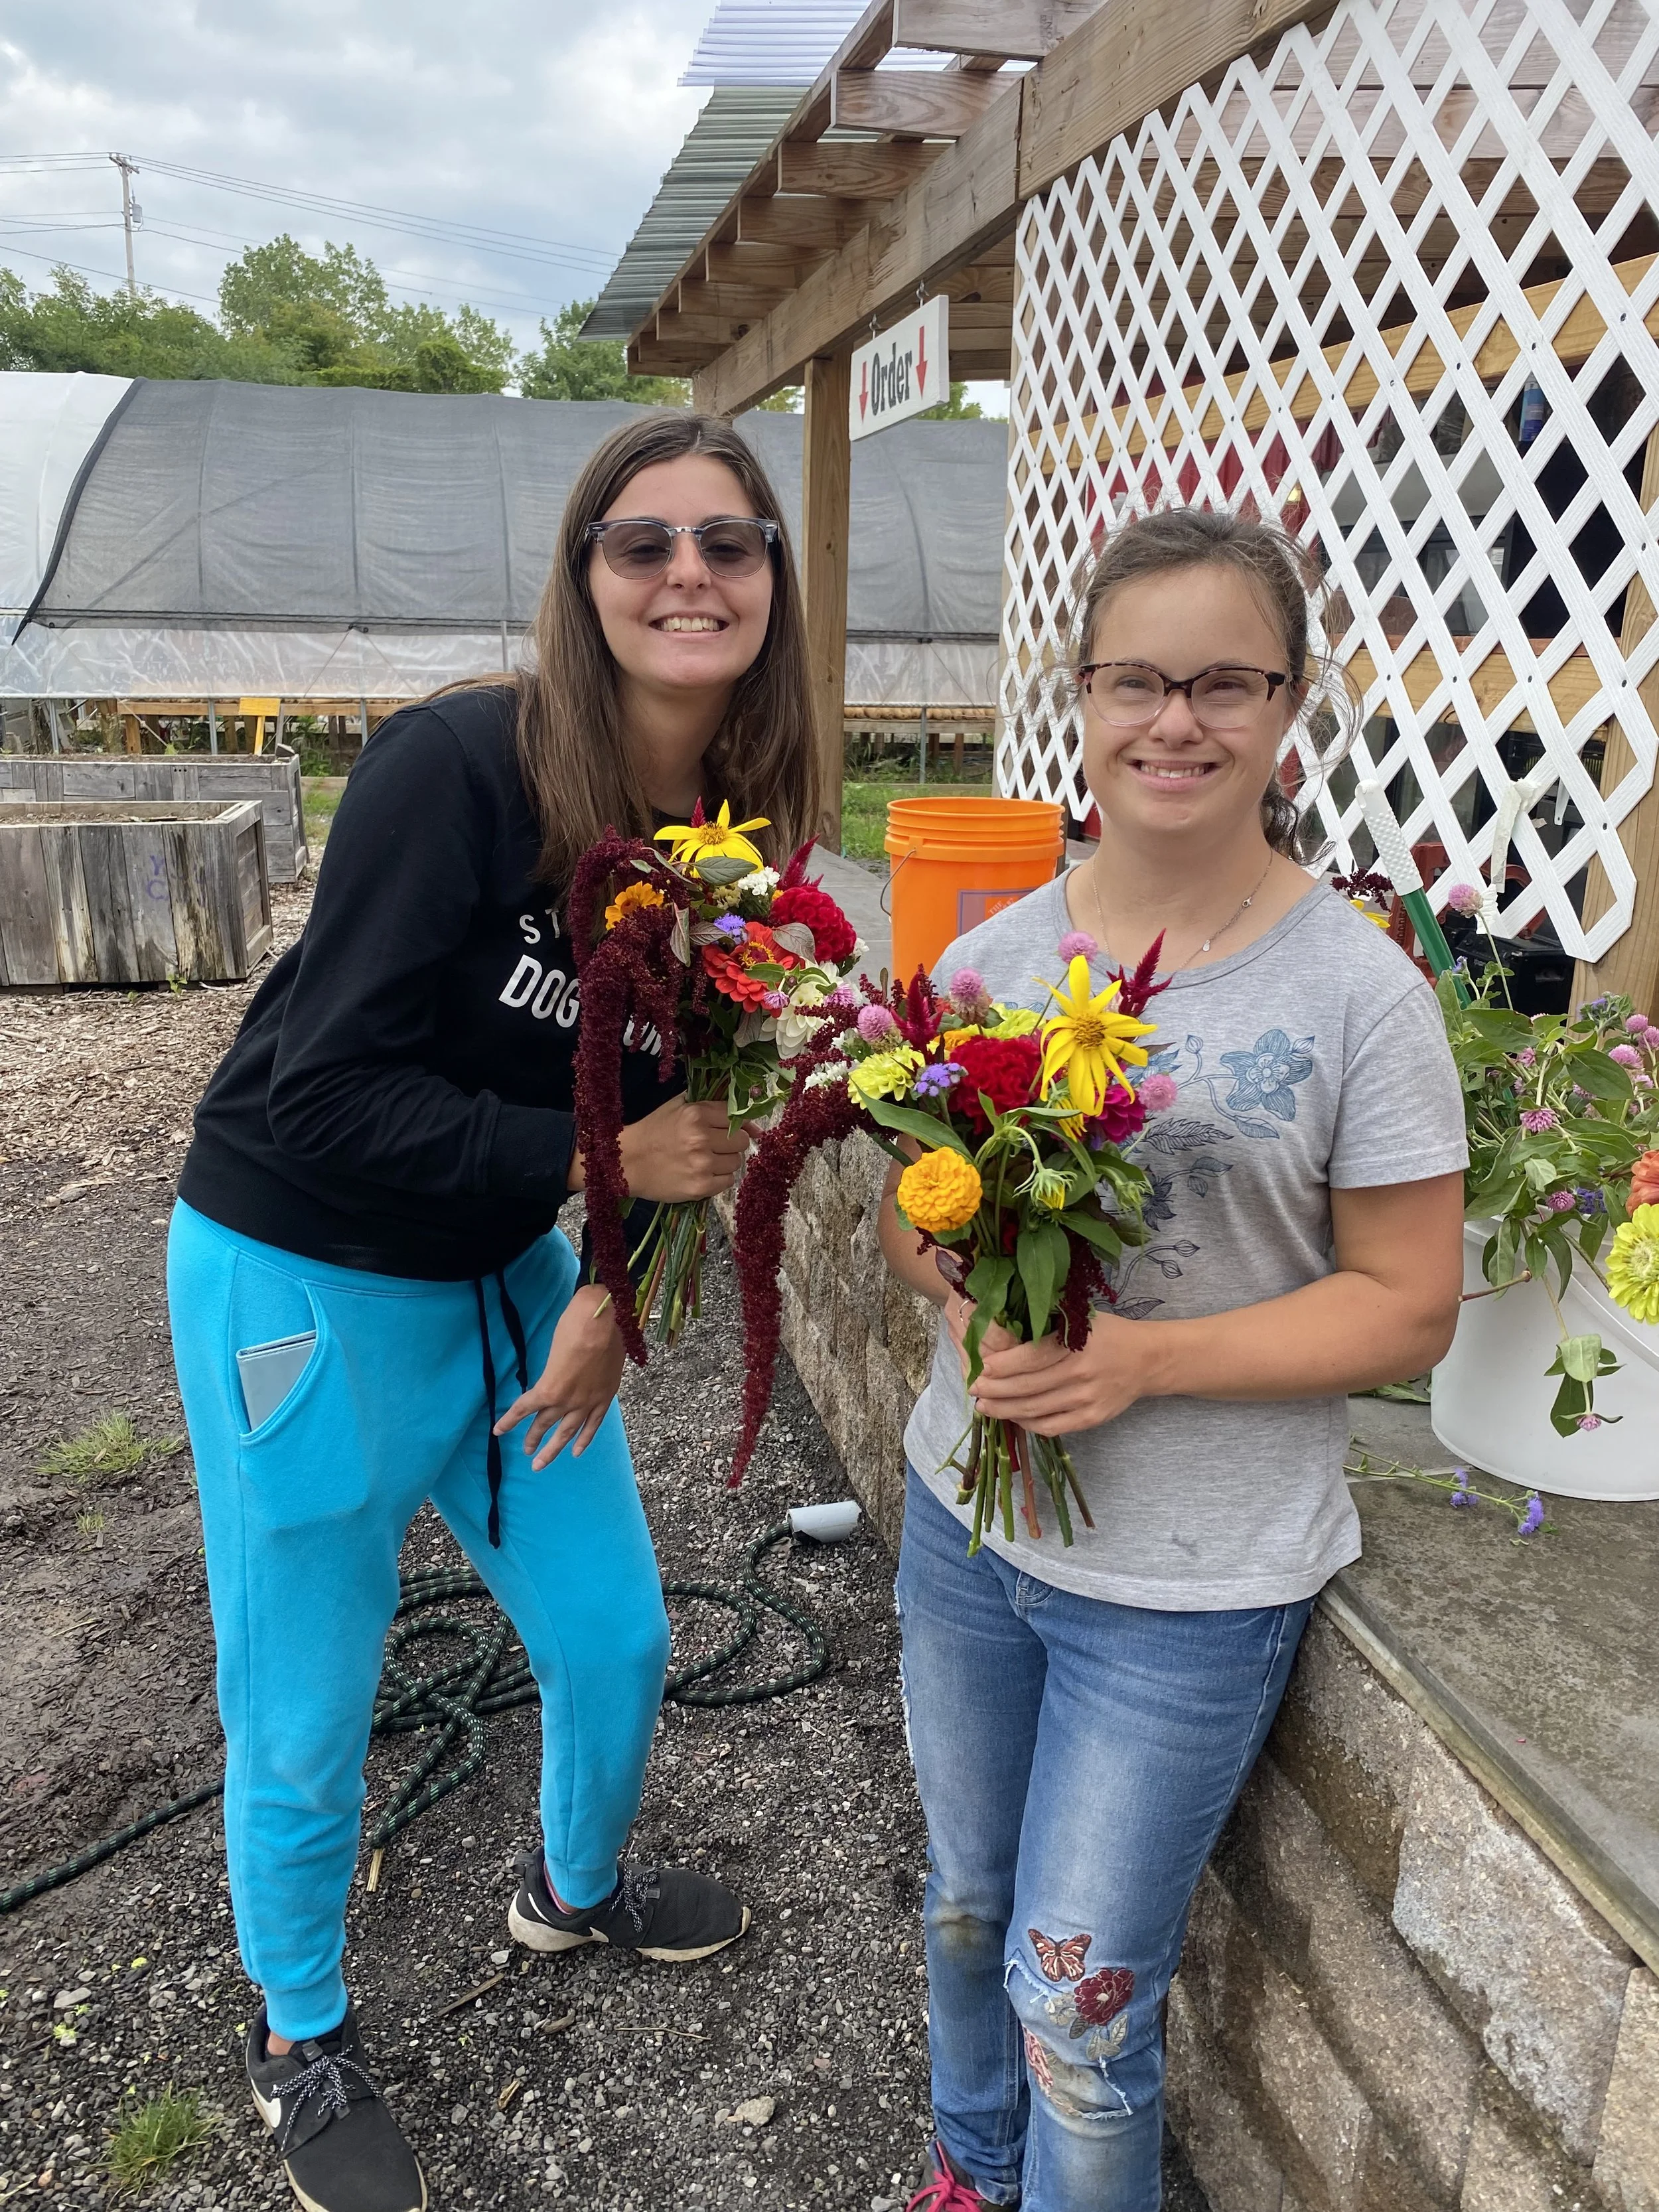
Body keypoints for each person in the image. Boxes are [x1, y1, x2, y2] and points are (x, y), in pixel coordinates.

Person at [166, 411, 821, 2212]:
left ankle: (575, 1888)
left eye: (730, 542)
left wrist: (602, 1289)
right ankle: (298, 2027)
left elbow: (676, 1119)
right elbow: (320, 1089)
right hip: (301, 1267)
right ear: (584, 573)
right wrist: (597, 1154)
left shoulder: (737, 844)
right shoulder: (457, 765)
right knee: (304, 1690)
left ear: (773, 579)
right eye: (644, 542)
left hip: (507, 1273)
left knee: (612, 1632)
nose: (689, 572)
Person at [881, 508, 1467, 2212]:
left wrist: (1141, 1363)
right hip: (965, 1535)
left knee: (1078, 2004)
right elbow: (907, 1219)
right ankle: (970, 2174)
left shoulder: (1362, 994)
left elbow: (1406, 1302)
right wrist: (959, 1295)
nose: (1175, 720)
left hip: (1190, 1585)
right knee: (967, 1898)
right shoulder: (991, 962)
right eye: (1136, 678)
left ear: (1289, 706)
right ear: (1079, 695)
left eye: (1225, 681)